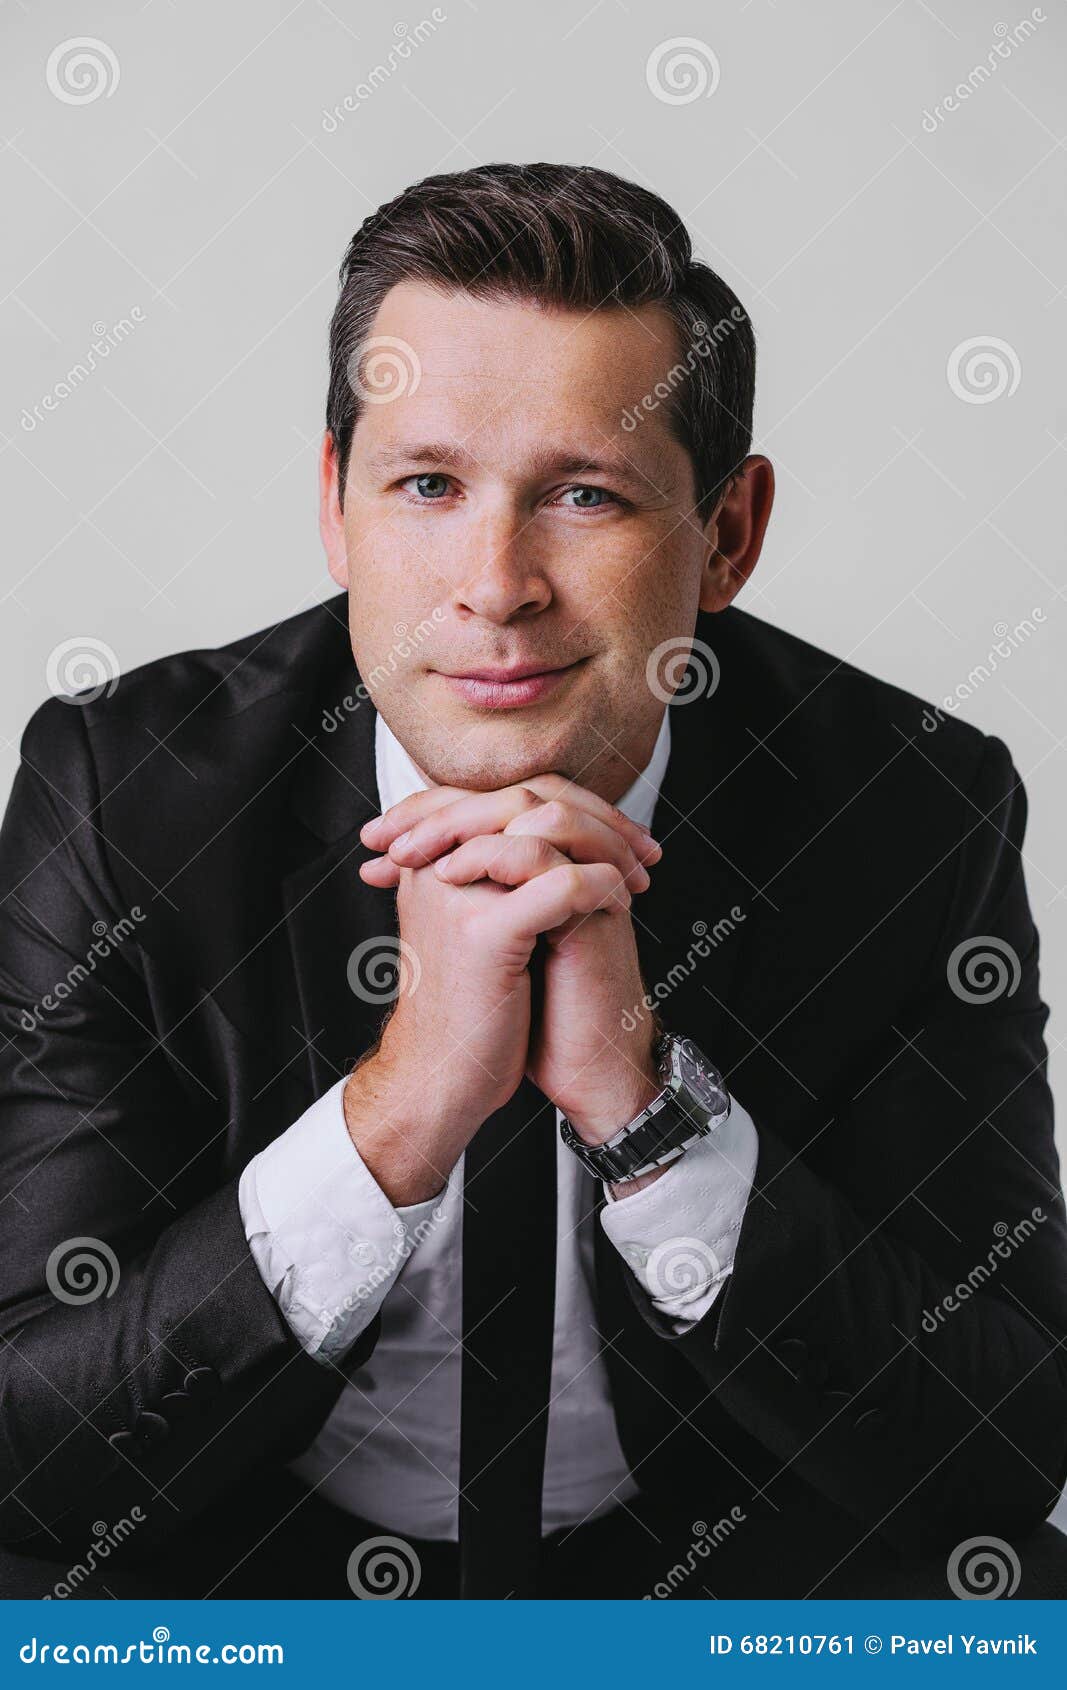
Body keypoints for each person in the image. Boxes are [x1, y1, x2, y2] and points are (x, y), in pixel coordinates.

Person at [1, 162, 1065, 1602]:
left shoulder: (910, 811)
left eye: (585, 495)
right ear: (336, 506)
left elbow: (1006, 1443)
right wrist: (399, 1108)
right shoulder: (127, 794)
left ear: (727, 538)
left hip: (706, 1562)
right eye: (427, 484)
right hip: (241, 1558)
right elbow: (29, 1448)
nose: (495, 583)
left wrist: (650, 1115)